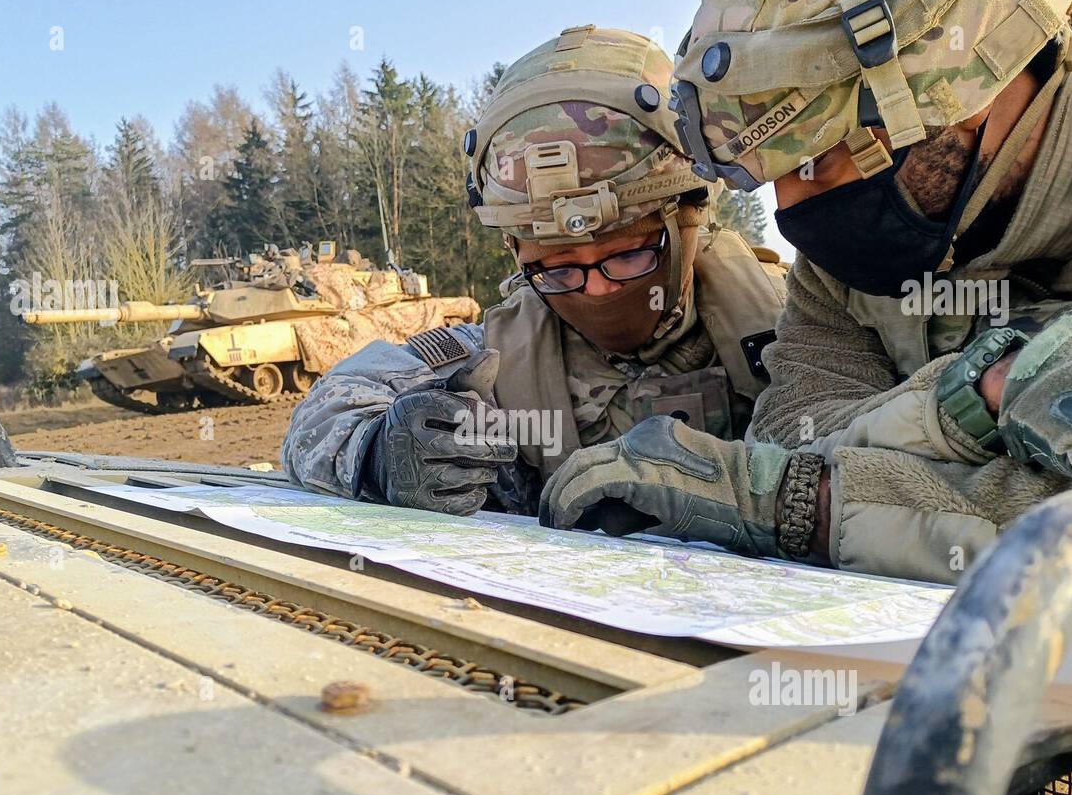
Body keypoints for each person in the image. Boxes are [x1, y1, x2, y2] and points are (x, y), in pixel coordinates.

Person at [538, 0, 1072, 583]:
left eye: (822, 154)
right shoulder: (842, 271)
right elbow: (794, 436)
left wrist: (822, 505)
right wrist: (960, 403)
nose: (794, 207)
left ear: (965, 91)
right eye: (773, 173)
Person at [282, 26, 786, 515]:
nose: (598, 288)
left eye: (627, 257)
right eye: (559, 270)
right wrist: (379, 453)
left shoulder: (804, 326)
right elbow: (325, 413)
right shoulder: (496, 362)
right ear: (518, 255)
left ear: (690, 217)